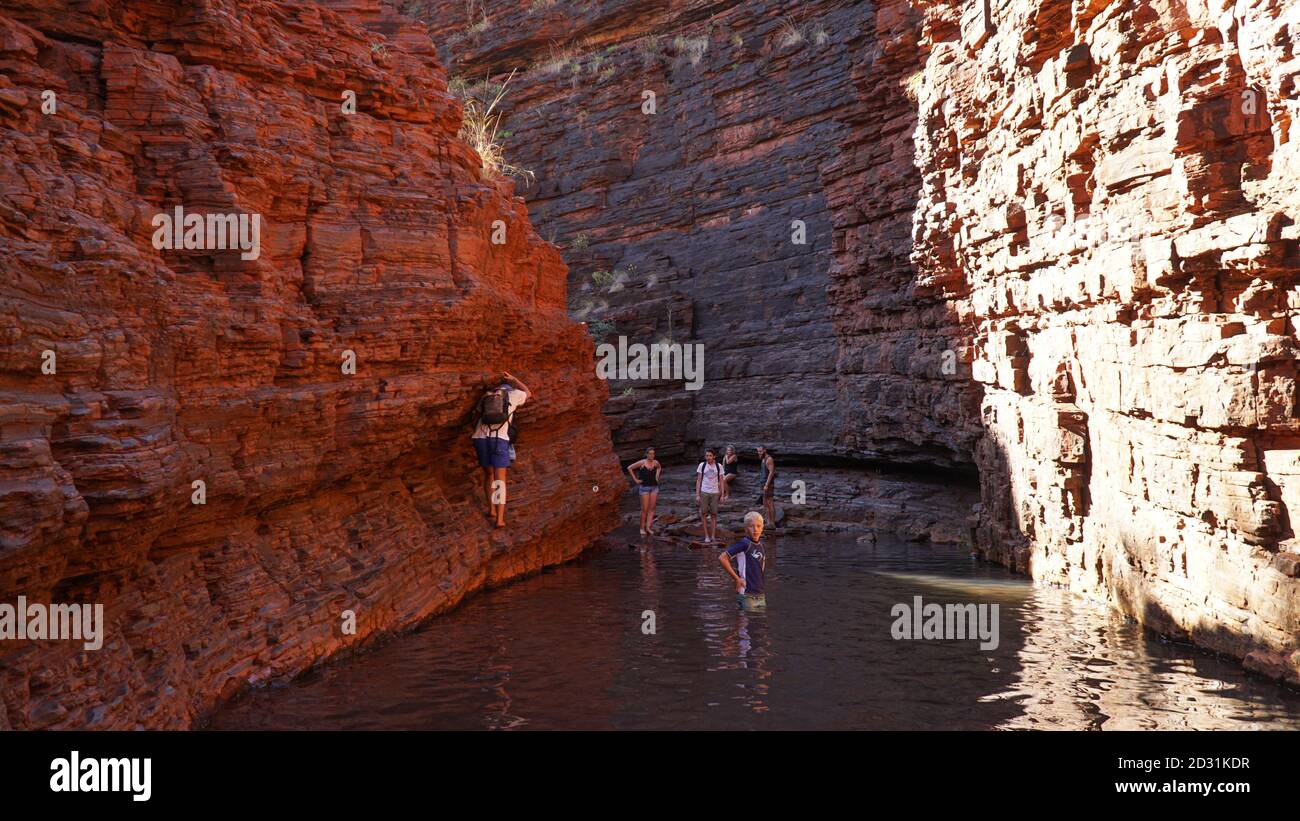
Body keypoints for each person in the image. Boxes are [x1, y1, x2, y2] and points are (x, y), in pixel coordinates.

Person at [471, 371, 530, 528]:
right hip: (499, 440)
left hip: (480, 437)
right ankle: (499, 520)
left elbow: (476, 417)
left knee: (488, 474)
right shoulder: (514, 394)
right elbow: (529, 392)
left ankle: (491, 510)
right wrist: (514, 379)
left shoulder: (487, 395)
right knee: (499, 480)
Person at [718, 511, 766, 610]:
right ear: (746, 529)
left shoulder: (761, 546)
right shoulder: (744, 544)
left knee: (759, 624)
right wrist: (737, 579)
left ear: (762, 528)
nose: (755, 529)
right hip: (746, 593)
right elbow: (722, 558)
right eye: (751, 526)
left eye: (758, 526)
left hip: (760, 594)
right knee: (746, 622)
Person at [627, 447, 662, 536]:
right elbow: (629, 468)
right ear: (646, 454)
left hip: (654, 487)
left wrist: (657, 476)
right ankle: (642, 528)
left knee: (652, 508)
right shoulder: (642, 463)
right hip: (644, 488)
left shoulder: (655, 462)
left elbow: (659, 468)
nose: (652, 455)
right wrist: (636, 480)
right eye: (650, 454)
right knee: (644, 509)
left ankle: (648, 527)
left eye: (653, 454)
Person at [695, 447, 724, 544]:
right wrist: (697, 494)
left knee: (714, 514)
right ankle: (706, 536)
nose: (708, 457)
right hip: (704, 491)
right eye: (707, 456)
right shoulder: (702, 465)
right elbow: (699, 480)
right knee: (703, 514)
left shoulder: (718, 466)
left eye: (710, 456)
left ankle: (713, 536)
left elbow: (721, 481)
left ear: (714, 456)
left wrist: (722, 495)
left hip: (715, 492)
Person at [757, 445, 776, 529]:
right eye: (758, 451)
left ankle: (772, 523)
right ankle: (768, 522)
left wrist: (767, 485)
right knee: (765, 503)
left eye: (760, 451)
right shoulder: (763, 460)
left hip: (767, 485)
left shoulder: (769, 459)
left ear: (765, 450)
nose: (759, 453)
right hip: (763, 484)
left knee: (770, 502)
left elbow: (771, 472)